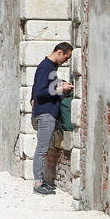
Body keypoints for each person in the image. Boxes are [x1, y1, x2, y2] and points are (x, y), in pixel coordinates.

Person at [31, 42, 74, 195]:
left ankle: (41, 181)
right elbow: (40, 93)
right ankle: (37, 183)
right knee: (41, 149)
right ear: (60, 53)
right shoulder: (46, 67)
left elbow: (38, 87)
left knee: (44, 149)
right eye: (66, 58)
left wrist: (60, 82)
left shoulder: (50, 67)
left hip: (47, 112)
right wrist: (61, 89)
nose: (66, 61)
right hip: (45, 113)